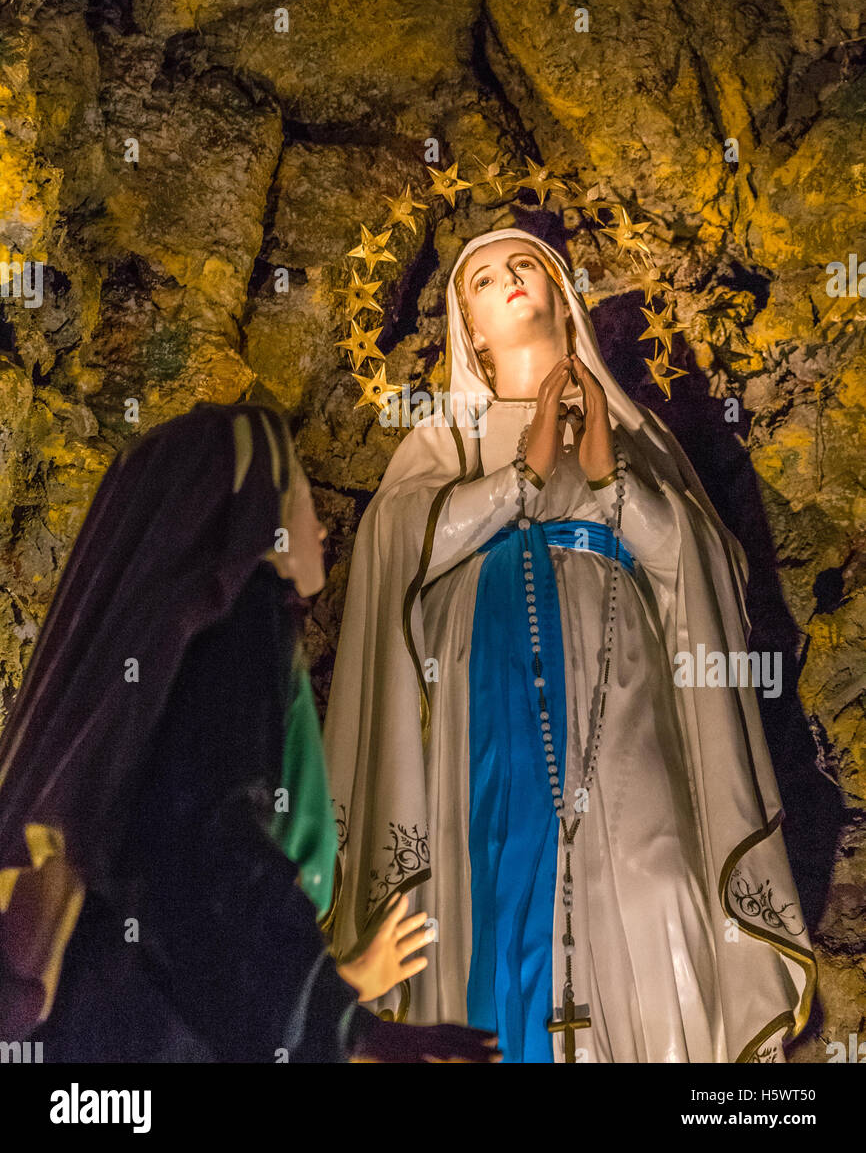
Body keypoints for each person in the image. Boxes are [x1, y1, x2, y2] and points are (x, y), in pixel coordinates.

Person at [322, 227, 817, 1063]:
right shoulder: (448, 443)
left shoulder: (639, 440)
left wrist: (606, 481)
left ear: (561, 293)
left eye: (526, 266)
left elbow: (705, 574)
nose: (509, 280)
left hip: (623, 673)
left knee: (659, 879)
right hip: (487, 679)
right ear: (470, 330)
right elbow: (395, 550)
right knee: (497, 878)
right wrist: (520, 475)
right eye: (483, 279)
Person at [0, 401, 499, 1063]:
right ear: (246, 508)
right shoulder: (236, 620)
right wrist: (344, 1024)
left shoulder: (149, 664)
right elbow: (202, 846)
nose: (321, 528)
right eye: (299, 495)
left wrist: (332, 991)